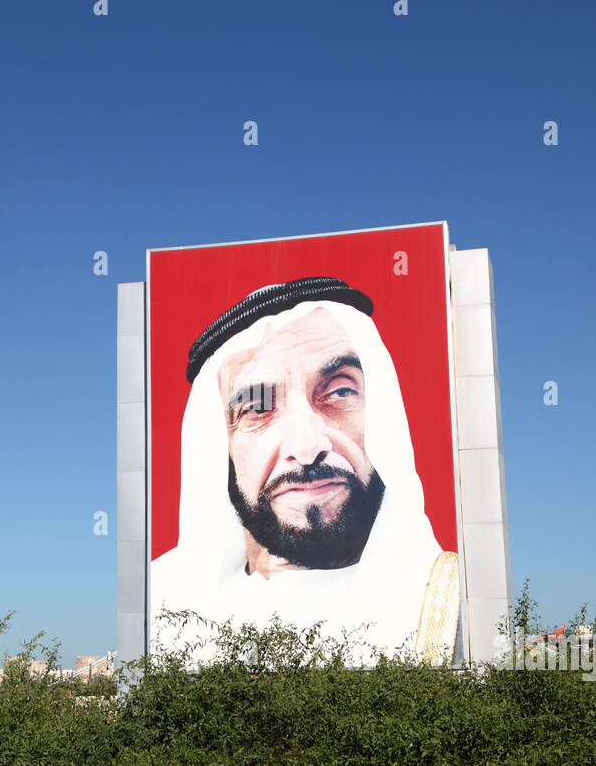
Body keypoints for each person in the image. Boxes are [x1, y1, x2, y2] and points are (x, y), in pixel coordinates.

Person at [151, 277, 460, 663]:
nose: (307, 446)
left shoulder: (451, 600)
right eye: (257, 408)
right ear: (219, 449)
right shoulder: (160, 605)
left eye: (340, 391)